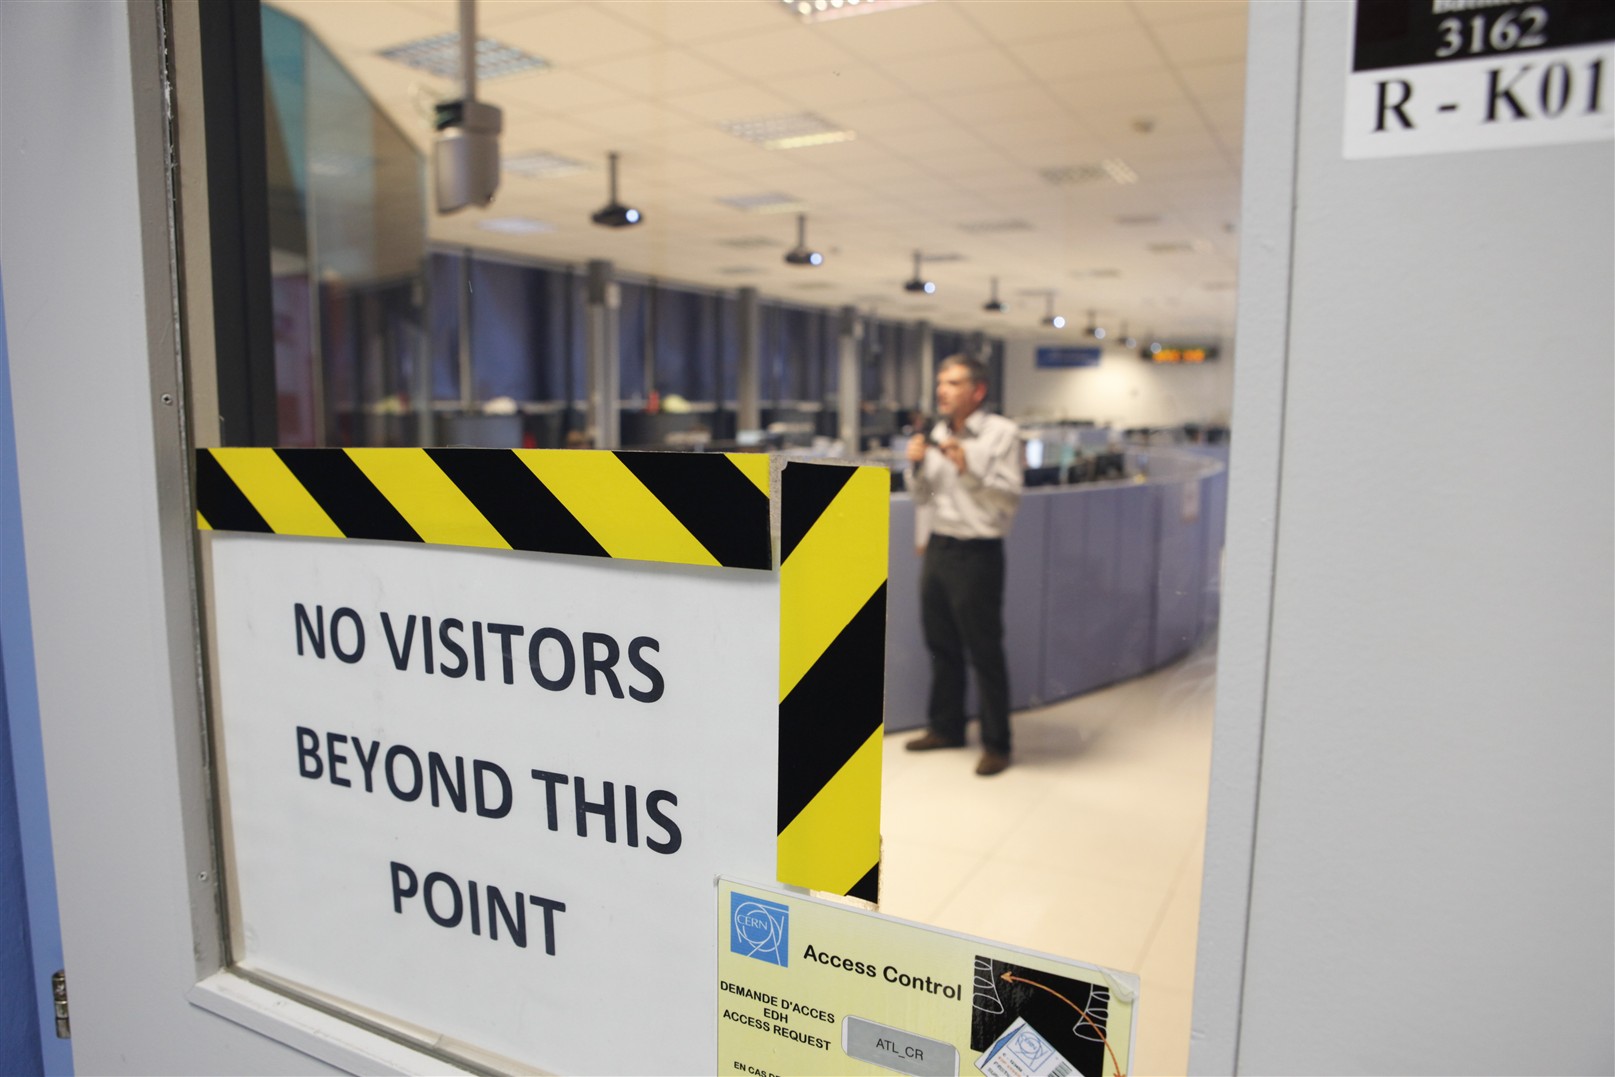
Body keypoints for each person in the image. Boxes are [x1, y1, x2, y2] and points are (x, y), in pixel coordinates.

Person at [903, 355, 1023, 776]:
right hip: (939, 547)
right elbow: (923, 499)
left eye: (952, 383)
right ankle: (946, 727)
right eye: (940, 382)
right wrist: (915, 466)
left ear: (978, 390)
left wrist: (967, 468)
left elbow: (1009, 498)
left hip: (978, 553)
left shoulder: (1002, 434)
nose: (942, 390)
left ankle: (997, 744)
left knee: (984, 651)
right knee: (941, 646)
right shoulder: (936, 433)